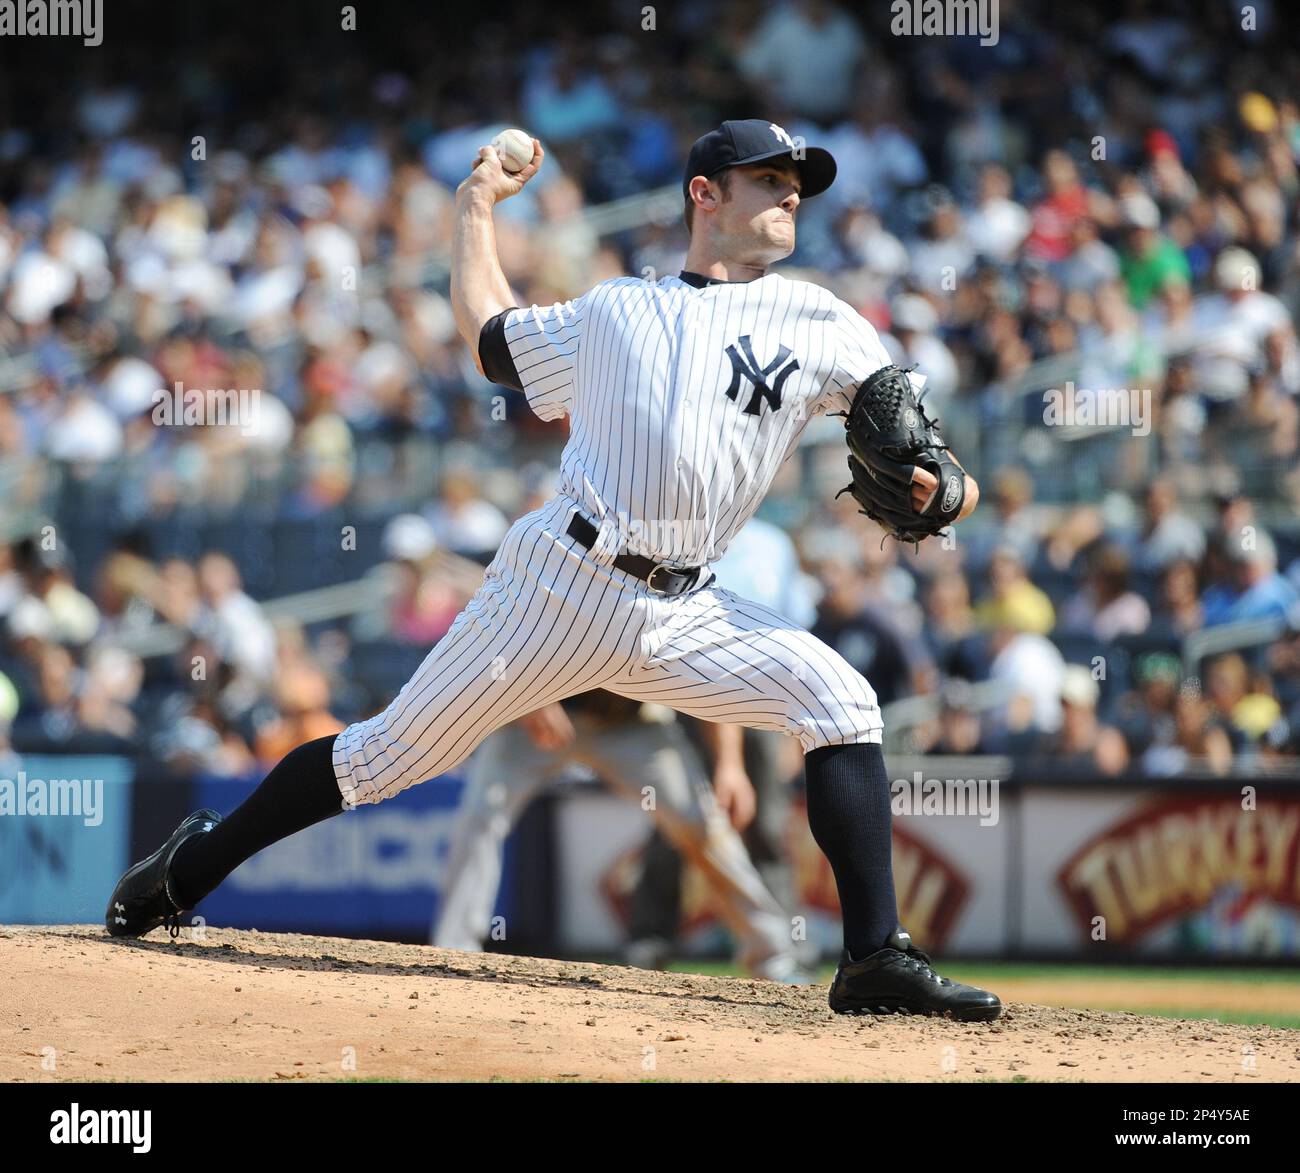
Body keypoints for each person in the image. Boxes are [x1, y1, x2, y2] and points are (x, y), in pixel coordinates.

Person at [105, 119, 997, 1022]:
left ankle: (874, 956)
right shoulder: (615, 310)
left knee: (840, 701)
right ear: (705, 194)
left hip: (690, 606)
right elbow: (492, 337)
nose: (791, 192)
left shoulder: (822, 318)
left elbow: (930, 455)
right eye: (768, 177)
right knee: (383, 759)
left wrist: (944, 497)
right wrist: (474, 210)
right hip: (562, 583)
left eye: (797, 181)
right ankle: (191, 868)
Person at [432, 690, 808, 982]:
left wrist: (730, 765)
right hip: (533, 715)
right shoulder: (555, 587)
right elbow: (501, 626)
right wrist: (527, 695)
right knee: (480, 817)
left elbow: (713, 684)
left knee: (702, 826)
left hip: (630, 726)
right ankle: (454, 952)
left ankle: (771, 957)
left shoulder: (670, 593)